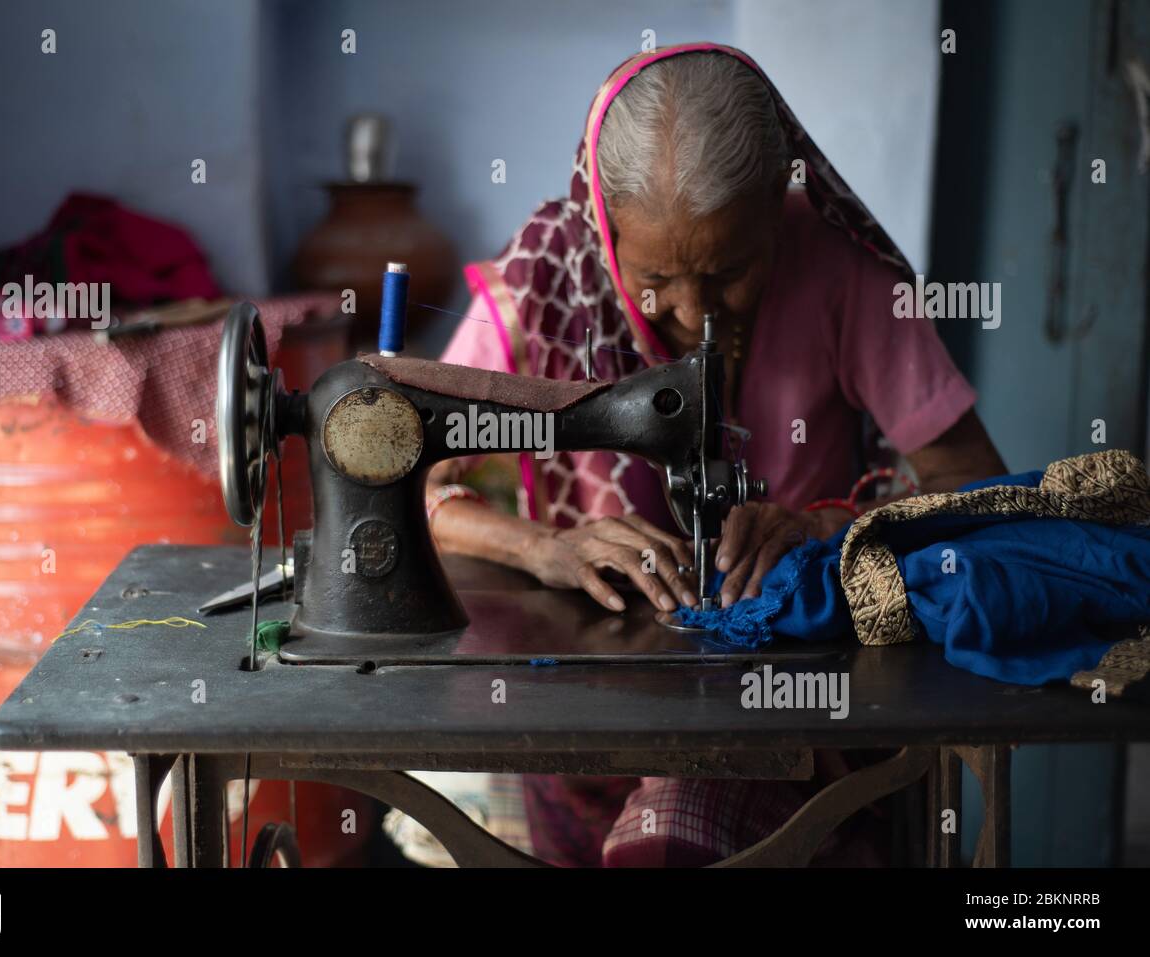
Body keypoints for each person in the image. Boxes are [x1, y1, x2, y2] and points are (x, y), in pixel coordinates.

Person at [426, 43, 1007, 867]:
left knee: (689, 823)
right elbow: (409, 479)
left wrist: (823, 527)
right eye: (658, 277)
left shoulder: (843, 270)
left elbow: (977, 485)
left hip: (806, 709)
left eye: (731, 271)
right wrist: (545, 547)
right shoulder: (548, 275)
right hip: (587, 712)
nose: (696, 314)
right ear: (607, 220)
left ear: (780, 200)